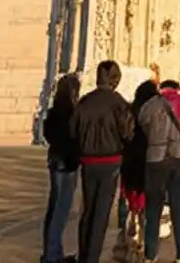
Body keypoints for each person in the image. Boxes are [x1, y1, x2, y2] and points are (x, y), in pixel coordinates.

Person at [70, 60, 134, 263]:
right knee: (101, 212)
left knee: (88, 209)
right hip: (111, 161)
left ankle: (84, 254)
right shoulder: (119, 104)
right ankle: (91, 258)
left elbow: (73, 131)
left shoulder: (85, 102)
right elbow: (128, 134)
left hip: (88, 162)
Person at [139, 79, 180, 263]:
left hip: (155, 159)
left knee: (153, 210)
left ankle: (151, 254)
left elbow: (142, 122)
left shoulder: (151, 105)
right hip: (178, 159)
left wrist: (154, 139)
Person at [113, 80, 158, 260]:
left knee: (126, 199)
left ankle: (124, 238)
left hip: (129, 161)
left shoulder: (130, 110)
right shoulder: (153, 113)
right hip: (146, 161)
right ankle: (141, 241)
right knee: (143, 202)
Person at [41, 73, 81, 263]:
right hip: (67, 164)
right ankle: (52, 256)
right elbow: (74, 138)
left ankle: (53, 252)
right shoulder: (72, 113)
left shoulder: (54, 111)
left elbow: (48, 134)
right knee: (61, 211)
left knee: (53, 208)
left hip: (55, 160)